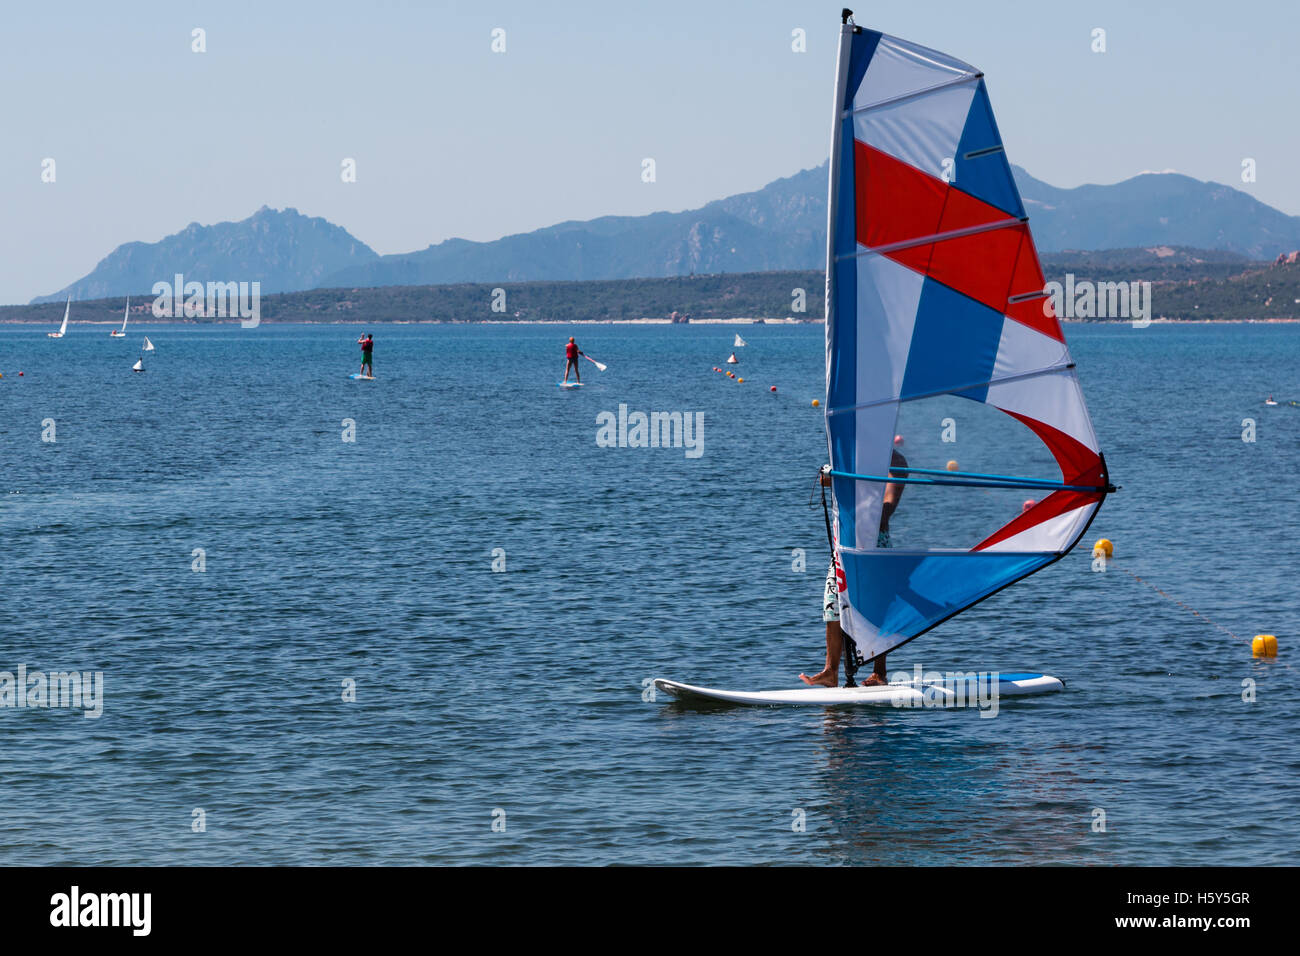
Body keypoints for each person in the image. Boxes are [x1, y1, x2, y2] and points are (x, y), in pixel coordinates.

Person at [800, 444, 907, 688]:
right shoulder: (850, 470)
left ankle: (879, 672)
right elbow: (826, 482)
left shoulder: (887, 490)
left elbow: (901, 469)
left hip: (874, 548)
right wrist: (832, 473)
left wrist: (877, 453)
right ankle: (830, 671)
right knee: (833, 605)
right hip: (844, 548)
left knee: (875, 609)